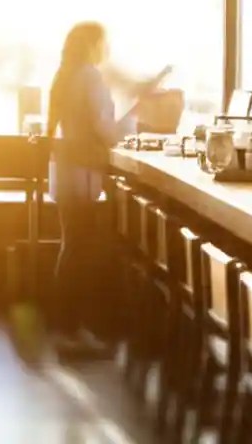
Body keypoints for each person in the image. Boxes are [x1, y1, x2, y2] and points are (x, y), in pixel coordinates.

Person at [44, 22, 160, 356]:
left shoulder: (65, 74)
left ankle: (66, 328)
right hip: (81, 172)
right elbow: (105, 129)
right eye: (104, 42)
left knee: (71, 249)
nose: (106, 48)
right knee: (80, 252)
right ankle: (73, 330)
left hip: (66, 171)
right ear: (94, 44)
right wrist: (136, 113)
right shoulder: (89, 76)